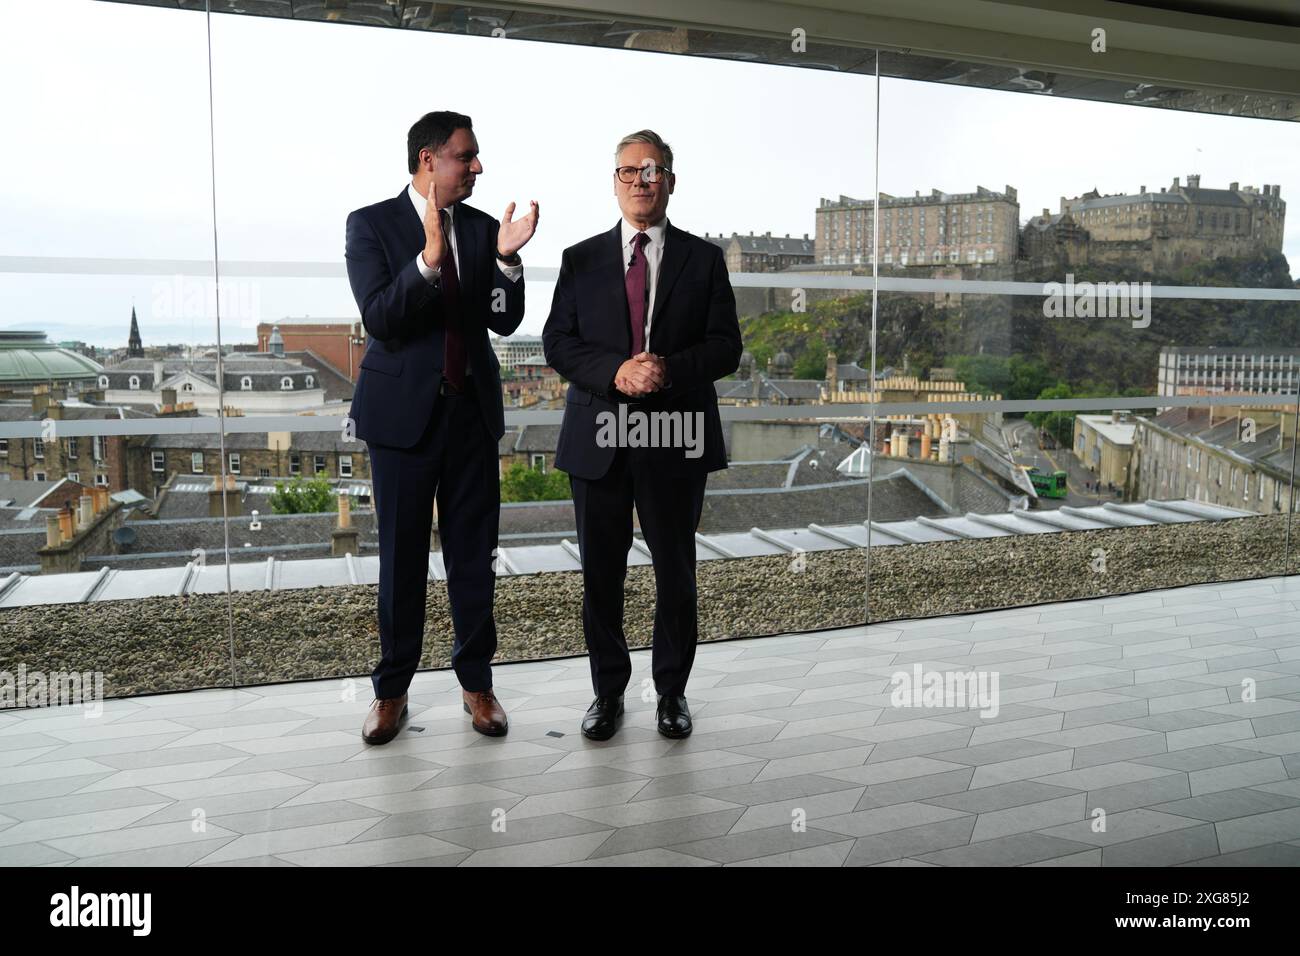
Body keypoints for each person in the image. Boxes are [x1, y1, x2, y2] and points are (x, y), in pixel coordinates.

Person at [345, 110, 537, 744]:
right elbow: (381, 319)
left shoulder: (483, 229)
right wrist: (428, 261)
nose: (478, 166)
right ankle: (391, 692)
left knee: (472, 559)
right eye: (467, 156)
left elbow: (504, 323)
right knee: (400, 560)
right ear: (430, 159)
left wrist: (507, 262)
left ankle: (477, 686)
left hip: (471, 416)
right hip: (402, 422)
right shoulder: (369, 225)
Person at [543, 129, 741, 741]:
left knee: (675, 571)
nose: (639, 182)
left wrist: (665, 371)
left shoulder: (703, 260)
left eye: (651, 171)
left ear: (670, 182)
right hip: (598, 438)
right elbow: (558, 342)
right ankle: (607, 693)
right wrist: (616, 372)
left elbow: (726, 347)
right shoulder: (580, 259)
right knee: (601, 574)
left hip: (674, 436)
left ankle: (672, 693)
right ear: (615, 182)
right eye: (628, 171)